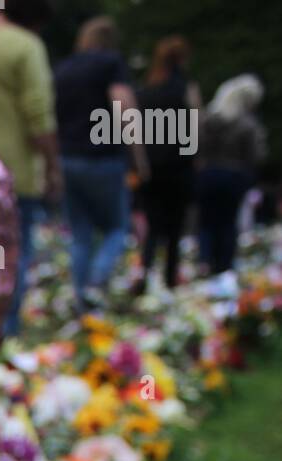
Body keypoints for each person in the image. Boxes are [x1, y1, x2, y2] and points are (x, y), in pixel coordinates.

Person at [0, 0, 61, 338]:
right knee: (10, 259)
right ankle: (4, 333)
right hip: (13, 172)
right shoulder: (26, 45)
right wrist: (53, 167)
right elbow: (38, 115)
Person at [55, 17, 148, 309]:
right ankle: (96, 283)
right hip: (103, 158)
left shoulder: (64, 69)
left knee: (80, 235)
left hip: (67, 158)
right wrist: (139, 156)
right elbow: (123, 105)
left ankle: (83, 305)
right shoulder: (111, 64)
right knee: (117, 228)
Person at [136, 38, 201, 293]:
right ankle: (170, 278)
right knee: (174, 227)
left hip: (152, 167)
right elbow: (195, 127)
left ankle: (144, 274)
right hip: (178, 166)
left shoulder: (146, 91)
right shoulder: (185, 89)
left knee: (153, 225)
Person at [197, 76, 266, 276]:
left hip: (209, 175)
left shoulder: (210, 118)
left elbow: (197, 146)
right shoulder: (247, 123)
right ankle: (225, 266)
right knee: (228, 223)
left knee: (207, 222)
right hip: (234, 176)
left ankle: (205, 261)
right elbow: (257, 154)